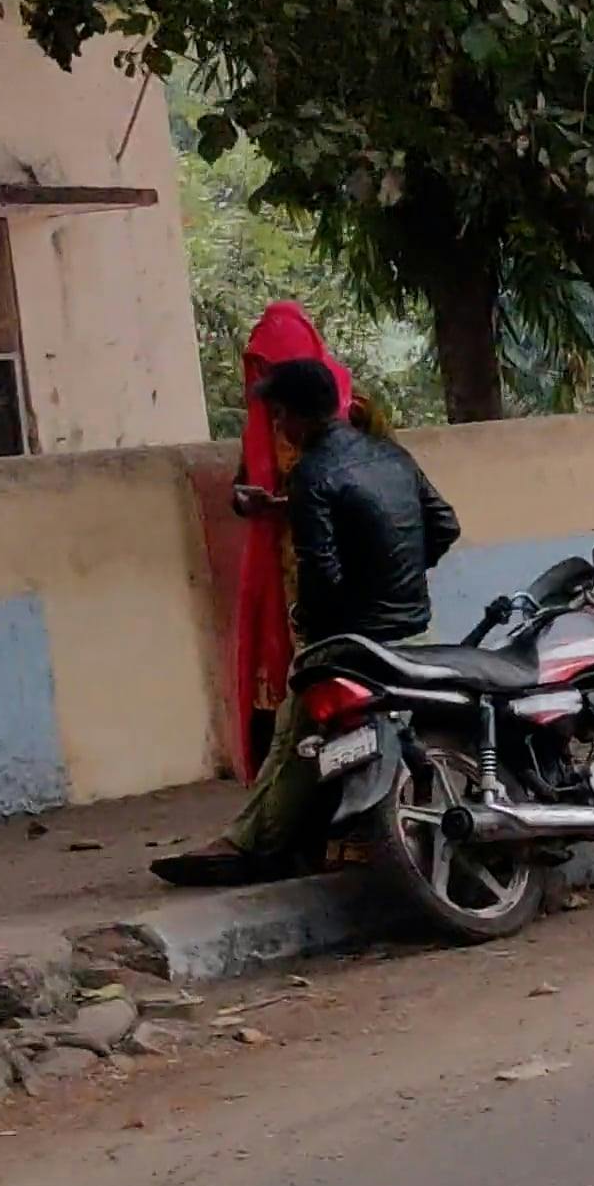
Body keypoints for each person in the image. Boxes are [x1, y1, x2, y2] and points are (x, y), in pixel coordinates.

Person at [157, 359, 460, 886]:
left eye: (278, 416)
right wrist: (400, 575)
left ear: (292, 417)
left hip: (351, 644)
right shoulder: (390, 454)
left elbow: (321, 572)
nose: (276, 427)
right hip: (414, 630)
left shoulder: (313, 473)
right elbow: (444, 525)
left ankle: (255, 845)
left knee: (291, 740)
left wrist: (315, 633)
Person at [219, 303, 365, 777]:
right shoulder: (264, 425)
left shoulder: (349, 418)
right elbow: (241, 485)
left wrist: (292, 507)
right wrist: (249, 501)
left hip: (340, 563)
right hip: (280, 563)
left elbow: (352, 492)